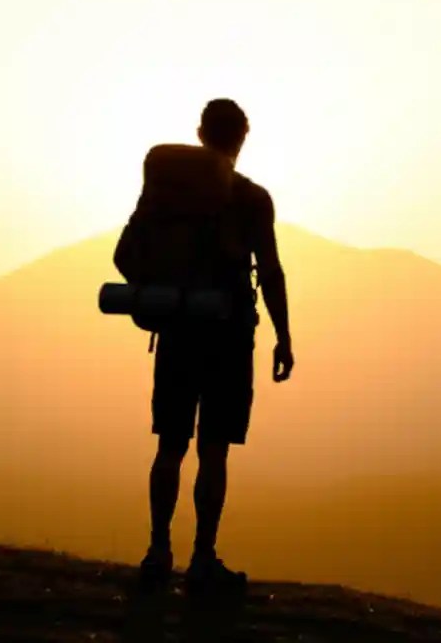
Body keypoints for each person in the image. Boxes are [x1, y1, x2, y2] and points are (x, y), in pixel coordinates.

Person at [125, 99, 294, 593]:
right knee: (214, 450)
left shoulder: (166, 196)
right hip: (229, 335)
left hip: (178, 328)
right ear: (242, 138)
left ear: (200, 134)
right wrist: (284, 336)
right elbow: (272, 272)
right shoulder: (253, 199)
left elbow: (131, 250)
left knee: (170, 446)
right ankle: (202, 558)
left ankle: (158, 551)